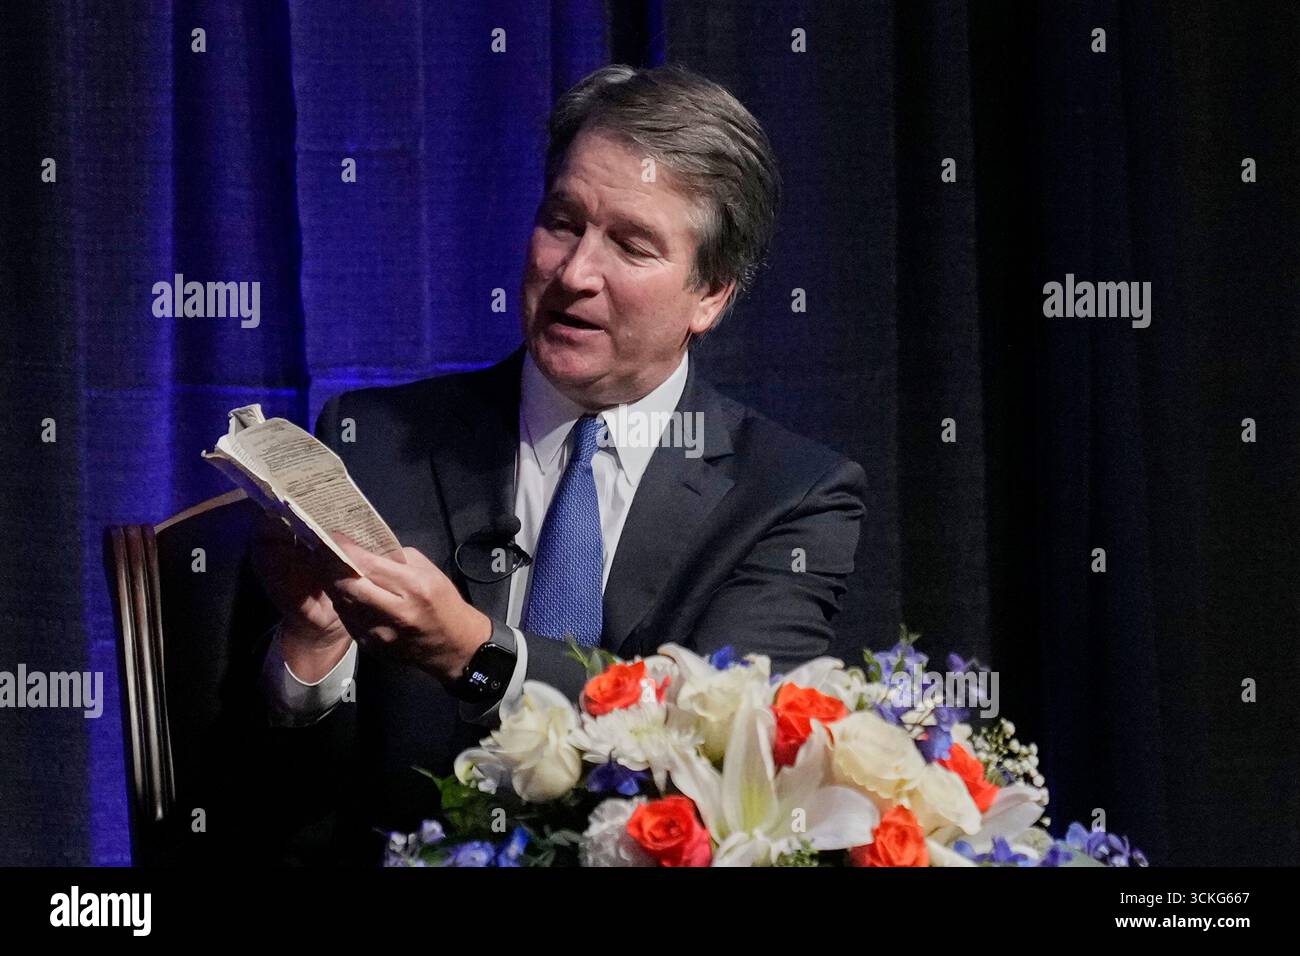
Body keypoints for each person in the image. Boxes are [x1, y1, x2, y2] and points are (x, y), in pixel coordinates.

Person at [235, 63, 867, 864]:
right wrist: (312, 648)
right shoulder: (372, 445)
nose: (574, 275)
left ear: (710, 294)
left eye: (631, 246)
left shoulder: (791, 496)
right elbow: (273, 812)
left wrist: (475, 653)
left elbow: (714, 746)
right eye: (563, 222)